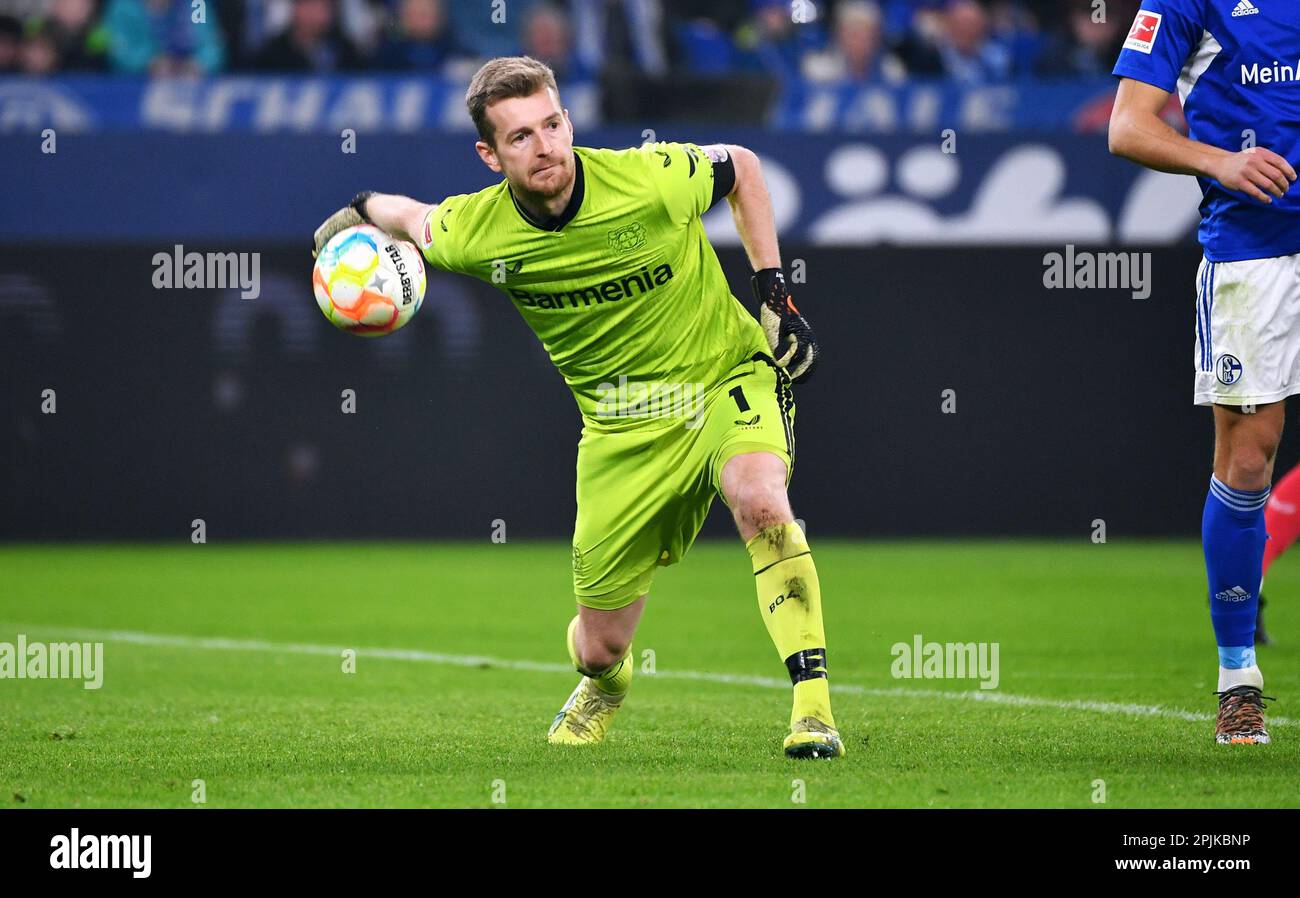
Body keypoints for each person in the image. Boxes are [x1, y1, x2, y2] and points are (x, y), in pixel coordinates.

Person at [311, 56, 841, 759]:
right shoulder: (480, 232)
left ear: (568, 120)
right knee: (598, 645)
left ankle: (813, 712)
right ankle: (605, 686)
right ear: (490, 155)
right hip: (620, 432)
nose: (546, 146)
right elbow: (413, 218)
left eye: (553, 124)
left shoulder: (648, 179)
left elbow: (740, 164)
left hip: (722, 378)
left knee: (760, 498)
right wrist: (358, 205)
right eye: (521, 137)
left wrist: (776, 296)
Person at [1109, 1, 1299, 744]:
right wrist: (1221, 160)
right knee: (1250, 457)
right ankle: (1237, 678)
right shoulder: (1184, 2)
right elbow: (1128, 124)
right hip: (1253, 252)